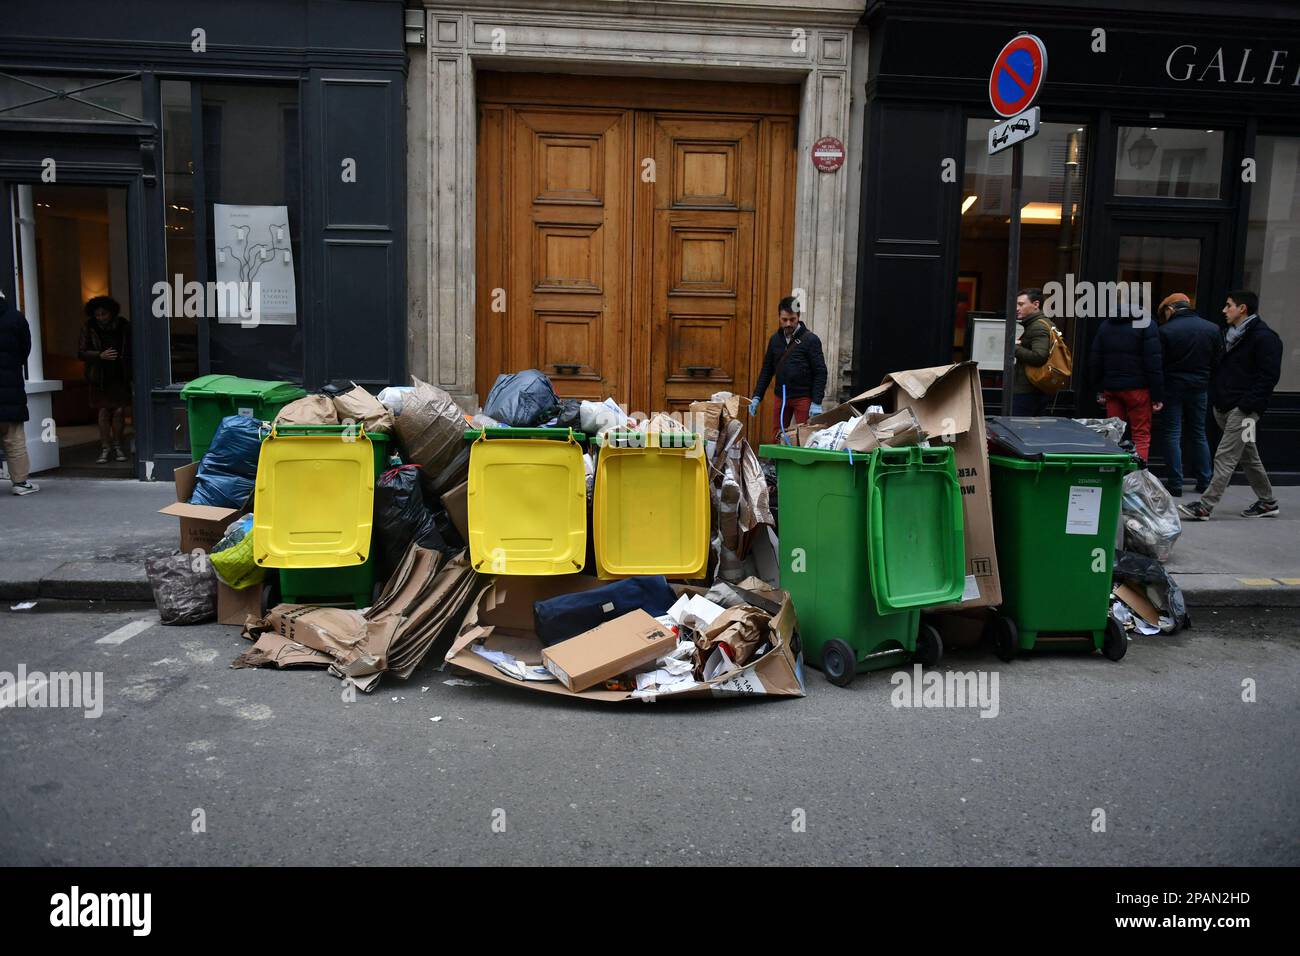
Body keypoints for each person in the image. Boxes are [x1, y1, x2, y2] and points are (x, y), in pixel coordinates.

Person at [1179, 290, 1282, 521]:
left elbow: (1268, 377)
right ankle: (1267, 502)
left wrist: (1246, 406)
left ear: (1242, 308)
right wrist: (1217, 397)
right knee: (1247, 454)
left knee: (1225, 455)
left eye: (1229, 305)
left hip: (1244, 411)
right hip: (1225, 405)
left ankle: (1205, 506)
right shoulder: (1230, 335)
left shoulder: (1265, 338)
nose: (1224, 310)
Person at [1155, 293, 1222, 497]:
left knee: (1172, 434)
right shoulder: (1212, 328)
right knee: (1198, 433)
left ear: (1170, 309)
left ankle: (1175, 483)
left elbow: (1159, 364)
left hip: (1173, 387)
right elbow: (1218, 360)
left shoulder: (1165, 331)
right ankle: (1205, 480)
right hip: (1200, 387)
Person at [1088, 299, 1164, 461]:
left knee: (1114, 434)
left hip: (1112, 388)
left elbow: (1095, 359)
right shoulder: (1147, 324)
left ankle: (1113, 475)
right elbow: (1153, 362)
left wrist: (1100, 388)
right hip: (1138, 389)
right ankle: (1138, 479)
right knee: (1141, 435)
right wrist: (1157, 395)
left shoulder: (1106, 325)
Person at [750, 296, 827, 441]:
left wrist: (816, 402)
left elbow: (820, 372)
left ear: (798, 317)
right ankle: (775, 463)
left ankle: (802, 463)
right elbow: (767, 370)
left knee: (805, 436)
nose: (788, 324)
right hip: (782, 396)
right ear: (779, 317)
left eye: (792, 319)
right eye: (784, 320)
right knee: (777, 435)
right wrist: (757, 396)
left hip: (803, 397)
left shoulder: (811, 340)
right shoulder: (775, 340)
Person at [78, 296, 132, 463]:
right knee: (102, 412)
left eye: (104, 314)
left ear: (111, 313)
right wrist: (99, 355)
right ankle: (105, 447)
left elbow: (131, 347)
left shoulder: (123, 326)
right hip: (99, 375)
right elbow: (81, 352)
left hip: (119, 373)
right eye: (97, 314)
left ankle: (117, 445)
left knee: (119, 411)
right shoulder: (89, 327)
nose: (101, 317)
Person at [1, 289, 39, 495]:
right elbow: (26, 348)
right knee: (13, 437)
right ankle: (20, 483)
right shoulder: (15, 317)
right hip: (10, 386)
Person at [1010, 288, 1057, 416]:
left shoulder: (1038, 326)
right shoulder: (1040, 324)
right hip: (1035, 388)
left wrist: (1013, 348)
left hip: (1029, 390)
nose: (1017, 308)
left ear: (1036, 305)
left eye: (1021, 304)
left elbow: (1039, 356)